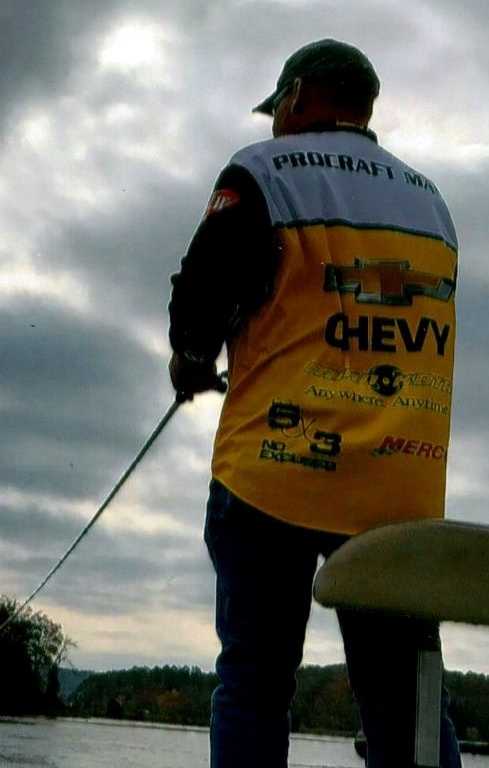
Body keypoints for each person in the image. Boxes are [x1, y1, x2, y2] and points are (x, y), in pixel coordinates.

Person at [168, 39, 463, 768]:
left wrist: (191, 360)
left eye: (279, 109)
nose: (274, 123)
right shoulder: (429, 201)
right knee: (408, 696)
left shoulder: (266, 171)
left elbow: (204, 291)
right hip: (397, 485)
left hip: (276, 467)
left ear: (297, 97)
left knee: (255, 679)